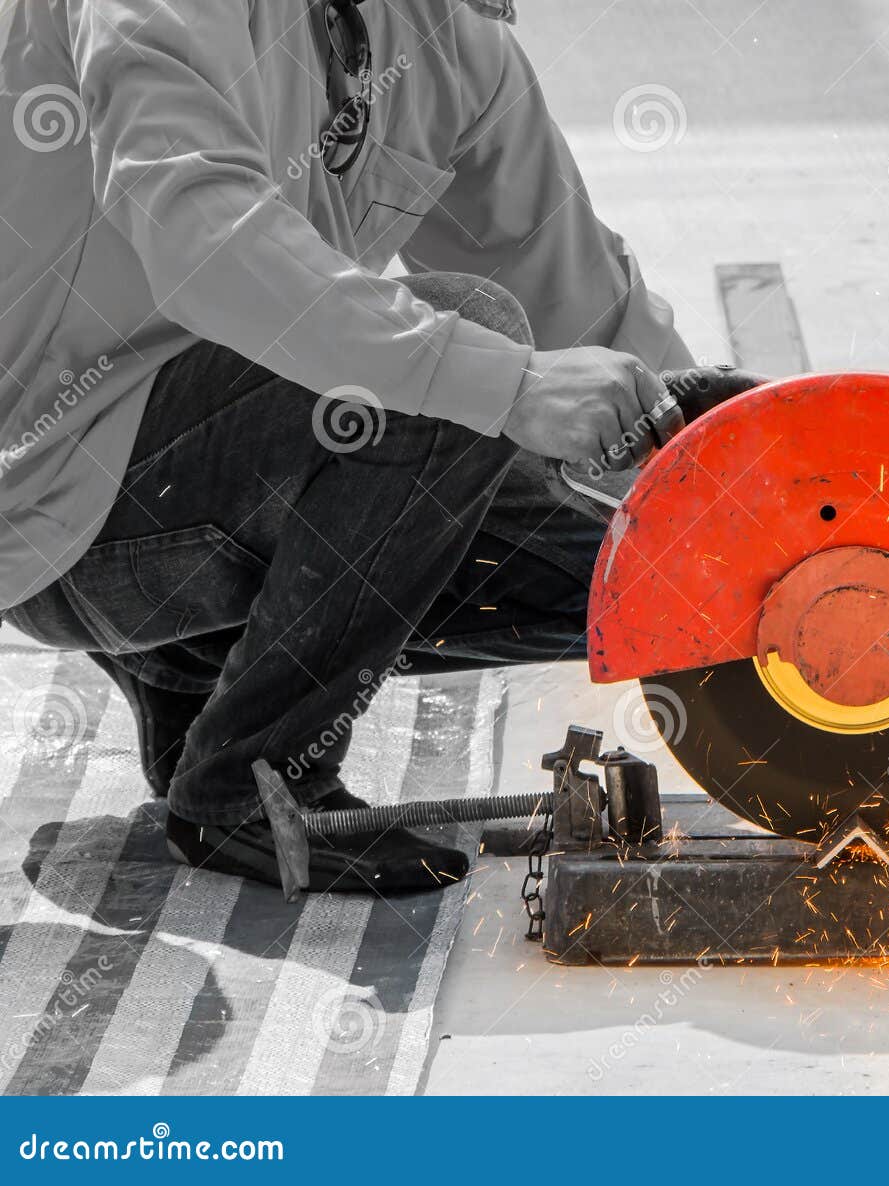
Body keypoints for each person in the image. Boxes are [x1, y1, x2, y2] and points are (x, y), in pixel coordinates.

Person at [0, 0, 748, 893]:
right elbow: (201, 236)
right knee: (459, 356)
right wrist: (506, 382)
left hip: (221, 484)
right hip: (57, 504)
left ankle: (193, 669)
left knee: (645, 565)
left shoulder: (444, 38)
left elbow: (579, 298)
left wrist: (742, 493)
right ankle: (252, 779)